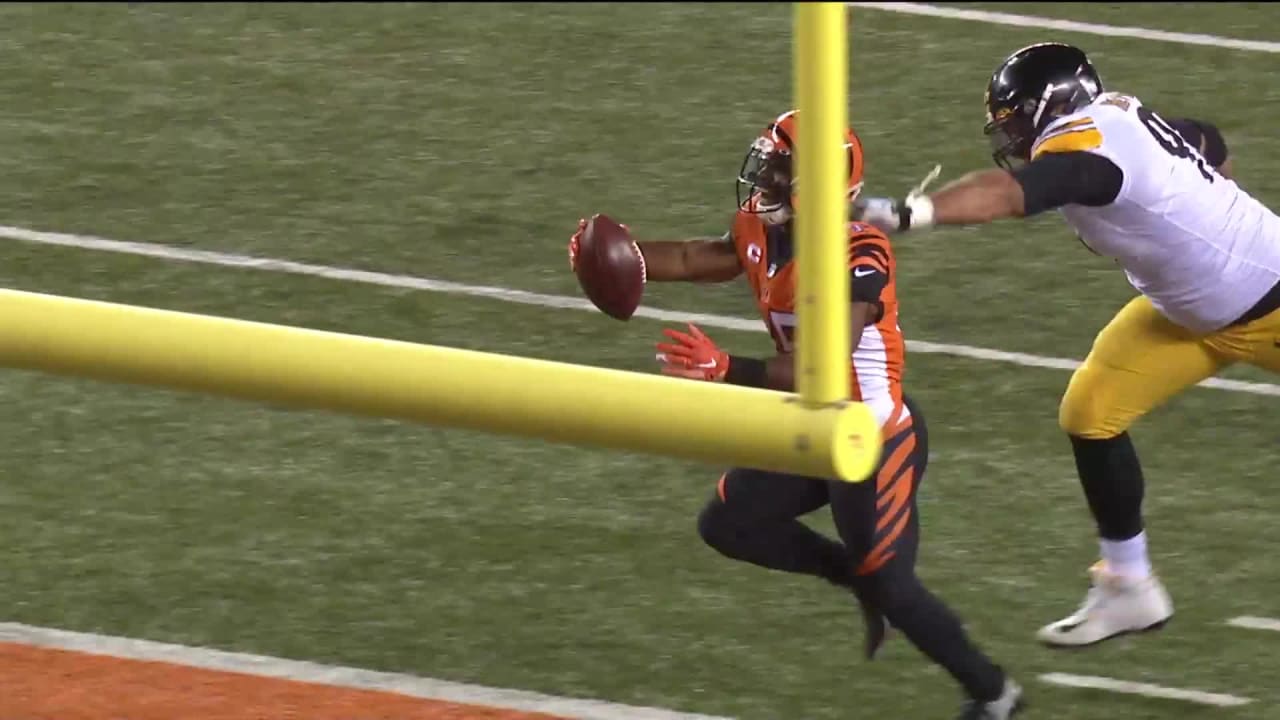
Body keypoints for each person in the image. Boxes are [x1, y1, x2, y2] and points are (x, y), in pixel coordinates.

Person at [569, 110, 1022, 719]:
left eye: (780, 172)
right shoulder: (761, 231)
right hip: (813, 421)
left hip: (871, 435)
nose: (765, 181)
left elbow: (829, 367)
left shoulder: (860, 251)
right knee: (729, 524)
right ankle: (854, 577)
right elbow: (694, 255)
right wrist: (619, 254)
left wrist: (726, 368)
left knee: (893, 584)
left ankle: (994, 693)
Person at [851, 42, 1280, 648]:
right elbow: (1204, 138)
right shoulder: (1119, 121)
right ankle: (1130, 587)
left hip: (1271, 303)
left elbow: (1009, 194)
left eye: (1016, 116)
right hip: (1188, 316)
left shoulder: (1088, 147)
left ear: (1055, 103)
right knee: (1092, 413)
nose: (1011, 133)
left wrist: (904, 212)